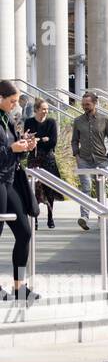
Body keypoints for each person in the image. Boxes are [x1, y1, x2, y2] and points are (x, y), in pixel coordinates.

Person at [0, 81, 38, 302]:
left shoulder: (9, 120)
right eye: (12, 101)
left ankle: (19, 286)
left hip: (10, 180)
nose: (15, 105)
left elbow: (13, 153)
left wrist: (24, 146)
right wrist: (10, 148)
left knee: (24, 232)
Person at [70, 92, 108, 232]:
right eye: (83, 104)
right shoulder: (78, 121)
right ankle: (84, 217)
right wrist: (76, 155)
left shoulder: (105, 120)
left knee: (100, 189)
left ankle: (101, 217)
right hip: (83, 159)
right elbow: (74, 141)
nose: (84, 107)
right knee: (86, 187)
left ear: (95, 104)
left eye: (87, 104)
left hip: (101, 160)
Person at [23, 98, 62, 229]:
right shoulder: (29, 122)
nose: (46, 111)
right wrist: (43, 139)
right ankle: (34, 219)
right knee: (34, 190)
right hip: (33, 159)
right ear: (36, 110)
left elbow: (53, 142)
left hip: (48, 159)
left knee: (49, 189)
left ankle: (50, 217)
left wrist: (38, 140)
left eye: (47, 109)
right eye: (43, 109)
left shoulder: (51, 122)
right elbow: (27, 141)